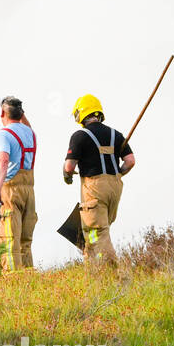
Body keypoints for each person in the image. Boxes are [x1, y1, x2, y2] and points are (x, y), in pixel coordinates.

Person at [64, 94, 135, 265]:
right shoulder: (116, 135)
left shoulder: (79, 136)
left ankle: (113, 272)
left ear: (81, 114)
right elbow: (130, 161)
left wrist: (67, 176)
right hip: (115, 186)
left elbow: (69, 167)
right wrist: (117, 173)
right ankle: (93, 272)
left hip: (94, 187)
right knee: (95, 232)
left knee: (97, 232)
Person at [0, 96, 38, 271]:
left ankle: (12, 277)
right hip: (29, 191)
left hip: (11, 189)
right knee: (25, 239)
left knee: (9, 237)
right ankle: (28, 274)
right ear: (21, 113)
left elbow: (2, 161)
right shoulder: (30, 133)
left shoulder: (4, 134)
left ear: (2, 112)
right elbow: (26, 124)